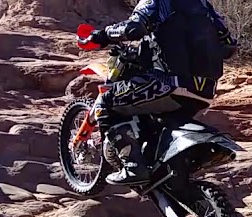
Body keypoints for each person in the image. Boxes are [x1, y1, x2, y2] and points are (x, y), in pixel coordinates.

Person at [86, 0, 237, 185]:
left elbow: (133, 28)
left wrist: (102, 35)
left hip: (167, 84)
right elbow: (229, 45)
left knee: (106, 102)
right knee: (157, 122)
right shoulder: (202, 5)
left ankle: (133, 166)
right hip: (204, 90)